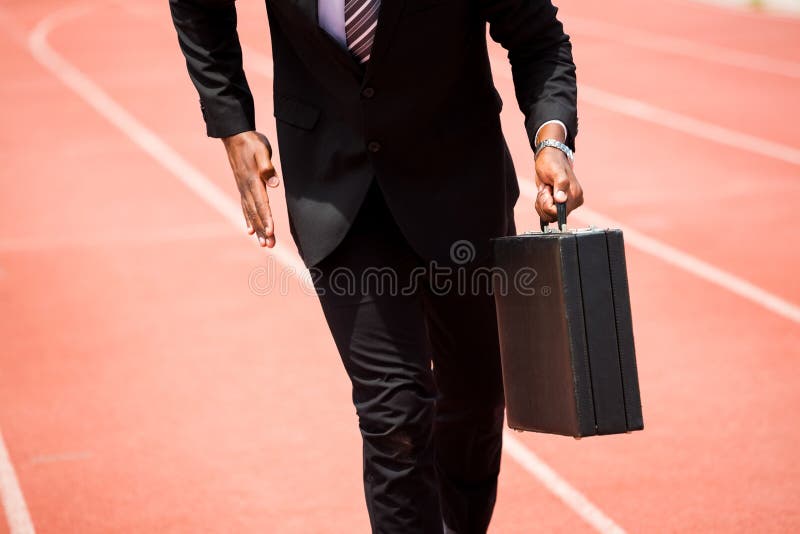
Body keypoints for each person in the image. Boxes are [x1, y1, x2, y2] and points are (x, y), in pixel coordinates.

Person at [169, 0, 583, 531]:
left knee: (476, 407)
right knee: (395, 416)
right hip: (335, 187)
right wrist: (232, 122)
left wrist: (552, 141)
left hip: (459, 177)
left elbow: (539, 39)